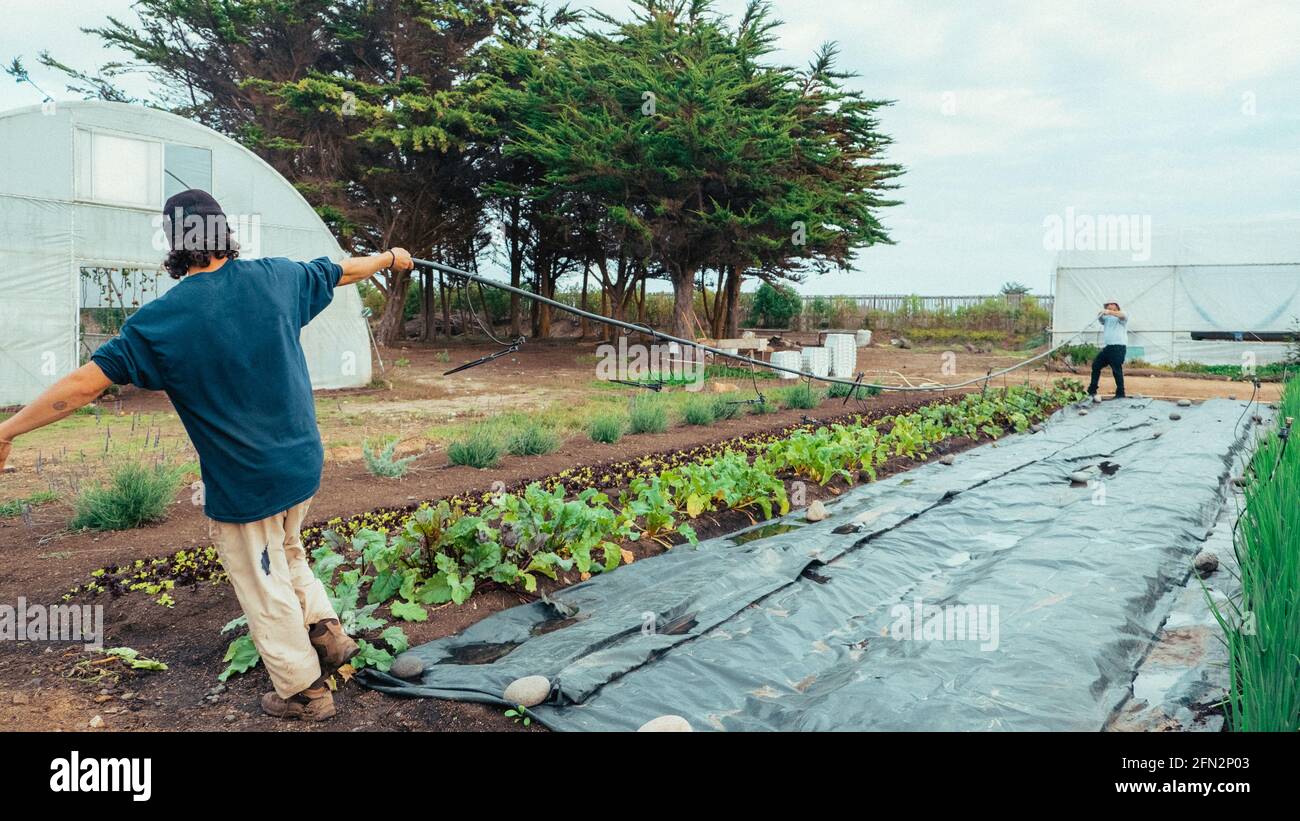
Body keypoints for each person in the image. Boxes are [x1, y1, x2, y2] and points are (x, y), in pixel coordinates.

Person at [0, 189, 414, 721]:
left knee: (263, 583)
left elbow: (82, 387)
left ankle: (304, 693)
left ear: (174, 244)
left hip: (245, 484)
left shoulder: (160, 322)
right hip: (302, 463)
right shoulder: (279, 277)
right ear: (225, 234)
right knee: (286, 552)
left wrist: (8, 430)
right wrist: (390, 258)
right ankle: (328, 634)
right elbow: (340, 270)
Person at [1088, 301, 1128, 400]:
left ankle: (1120, 393)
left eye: (1114, 309)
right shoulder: (1106, 319)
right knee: (1096, 365)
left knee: (1116, 369)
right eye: (1109, 308)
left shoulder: (1121, 318)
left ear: (1118, 309)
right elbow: (1100, 318)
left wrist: (1109, 312)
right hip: (1108, 347)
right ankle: (1092, 390)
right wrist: (1101, 312)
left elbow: (1122, 315)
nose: (1111, 311)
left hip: (1118, 347)